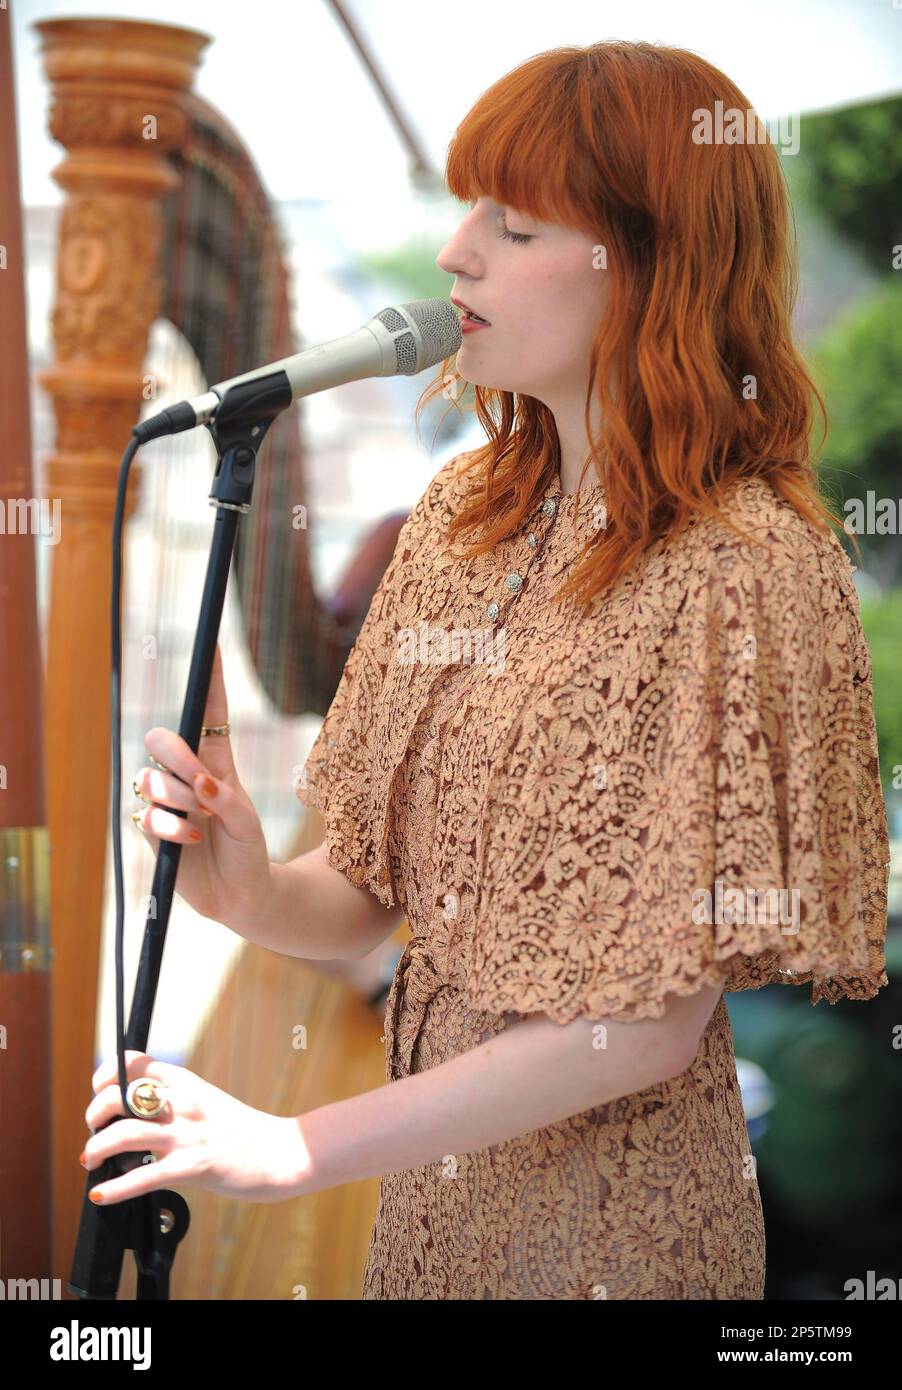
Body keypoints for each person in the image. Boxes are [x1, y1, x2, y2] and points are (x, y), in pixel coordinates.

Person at [82, 40, 890, 1300]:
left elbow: (643, 1026)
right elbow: (361, 896)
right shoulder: (465, 516)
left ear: (652, 261)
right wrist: (241, 880)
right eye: (469, 211)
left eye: (514, 226)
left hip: (614, 1243)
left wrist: (292, 1142)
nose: (456, 251)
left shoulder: (746, 571)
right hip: (432, 1234)